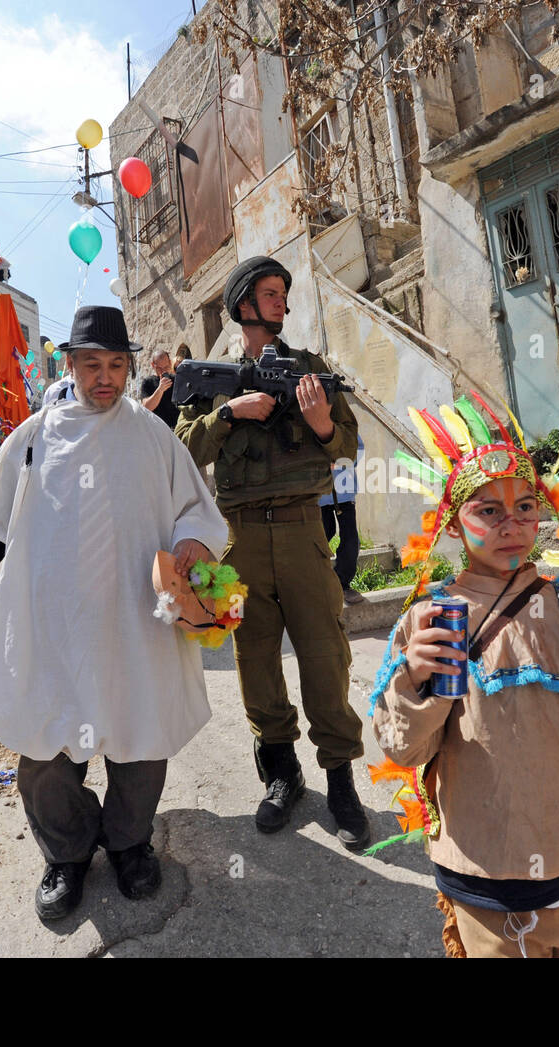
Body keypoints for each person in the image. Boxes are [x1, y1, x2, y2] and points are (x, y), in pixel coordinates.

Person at [0, 305, 228, 922]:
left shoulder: (154, 437)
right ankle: (67, 854)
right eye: (92, 364)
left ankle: (128, 844)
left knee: (141, 738)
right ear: (69, 365)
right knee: (45, 745)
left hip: (138, 625)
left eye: (117, 365)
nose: (106, 377)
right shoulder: (32, 438)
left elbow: (198, 513)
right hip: (52, 628)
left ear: (128, 367)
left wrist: (193, 546)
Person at [368, 394, 559, 958]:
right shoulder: (430, 619)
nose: (512, 525)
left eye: (526, 508)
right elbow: (406, 750)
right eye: (488, 511)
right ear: (453, 526)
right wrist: (415, 676)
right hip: (480, 877)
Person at [176, 255, 372, 850]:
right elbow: (183, 450)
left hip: (301, 528)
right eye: (268, 293)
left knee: (325, 653)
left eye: (283, 292)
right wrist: (229, 414)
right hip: (236, 538)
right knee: (254, 656)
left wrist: (318, 424)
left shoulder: (312, 371)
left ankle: (340, 779)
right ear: (242, 305)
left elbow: (349, 446)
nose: (280, 301)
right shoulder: (214, 379)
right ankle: (281, 773)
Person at [319, 434, 364, 605]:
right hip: (317, 496)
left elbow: (358, 448)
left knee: (350, 539)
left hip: (344, 493)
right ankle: (316, 582)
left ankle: (342, 583)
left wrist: (341, 463)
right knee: (321, 535)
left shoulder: (342, 423)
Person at [140, 347, 188, 431]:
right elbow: (146, 407)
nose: (163, 371)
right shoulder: (148, 382)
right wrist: (160, 390)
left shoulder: (177, 380)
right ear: (153, 365)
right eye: (159, 368)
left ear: (169, 363)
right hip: (159, 432)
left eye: (166, 367)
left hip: (178, 429)